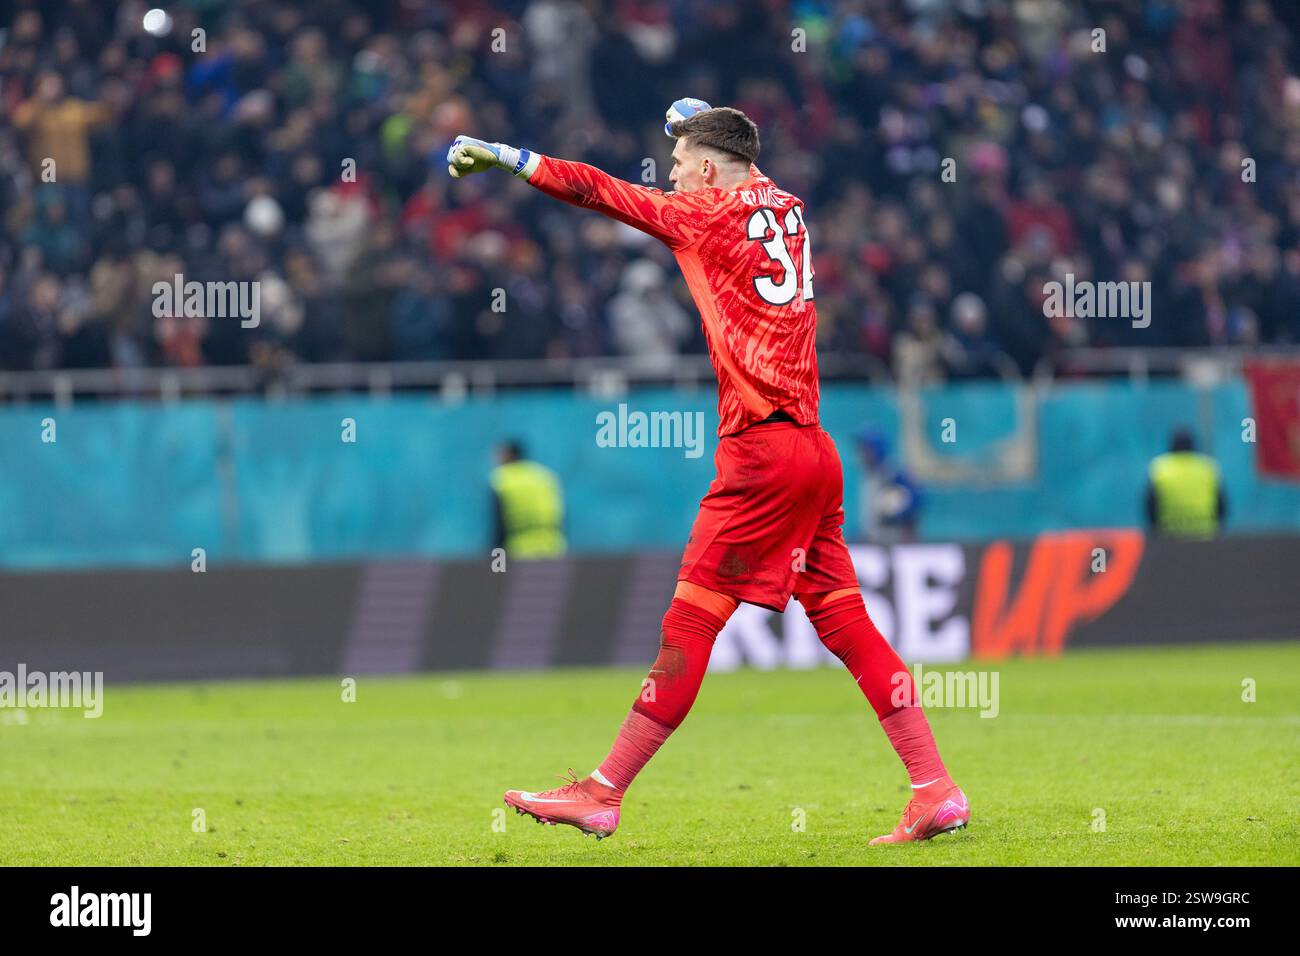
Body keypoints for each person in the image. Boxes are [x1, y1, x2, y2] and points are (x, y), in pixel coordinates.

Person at [447, 100, 968, 844]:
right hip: (816, 453)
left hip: (760, 457)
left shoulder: (704, 215)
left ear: (710, 170)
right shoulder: (786, 207)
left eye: (680, 165)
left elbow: (596, 190)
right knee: (846, 620)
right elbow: (740, 152)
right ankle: (935, 787)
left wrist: (507, 155)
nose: (671, 178)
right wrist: (700, 119)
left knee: (690, 622)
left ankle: (602, 792)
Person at [489, 439, 567, 559]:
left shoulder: (502, 479)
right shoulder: (546, 476)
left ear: (509, 455)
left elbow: (498, 524)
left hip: (519, 549)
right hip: (553, 546)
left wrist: (496, 556)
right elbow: (561, 515)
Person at [1145, 427, 1227, 538]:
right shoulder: (1208, 467)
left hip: (1169, 533)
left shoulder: (1160, 468)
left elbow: (1150, 505)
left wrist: (1155, 530)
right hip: (1205, 533)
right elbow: (1221, 504)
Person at [856, 429, 922, 543]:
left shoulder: (893, 474)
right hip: (874, 542)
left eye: (867, 449)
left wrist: (897, 513)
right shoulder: (869, 475)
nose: (863, 454)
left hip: (894, 543)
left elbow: (917, 500)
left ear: (877, 450)